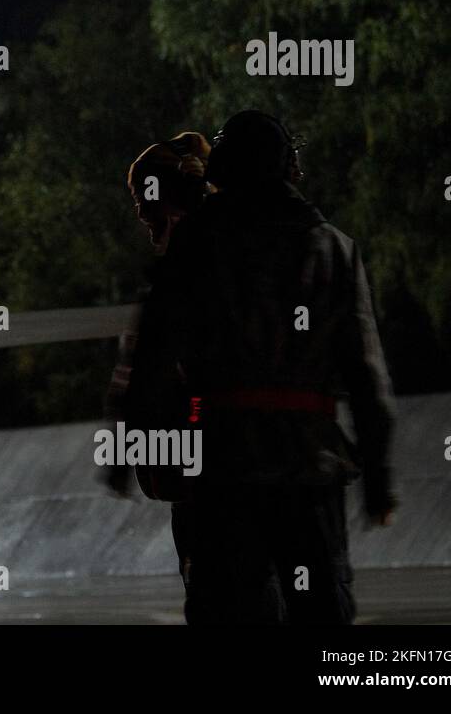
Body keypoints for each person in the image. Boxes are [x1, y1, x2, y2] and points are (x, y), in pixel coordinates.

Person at [122, 111, 397, 624]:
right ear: (288, 167)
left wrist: (125, 451)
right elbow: (365, 375)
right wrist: (378, 477)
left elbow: (154, 353)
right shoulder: (332, 248)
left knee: (228, 608)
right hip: (309, 471)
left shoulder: (197, 245)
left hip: (222, 475)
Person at [103, 131, 211, 583]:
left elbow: (144, 368)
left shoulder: (184, 271)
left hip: (208, 476)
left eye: (141, 198)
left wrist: (117, 459)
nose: (139, 212)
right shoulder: (246, 252)